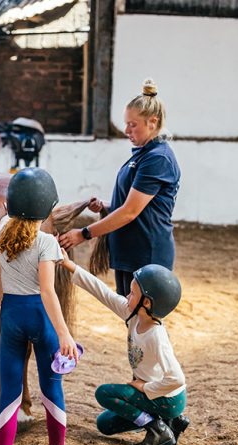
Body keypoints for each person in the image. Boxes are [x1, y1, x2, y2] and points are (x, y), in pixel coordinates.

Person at [0, 168, 80, 445]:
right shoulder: (46, 242)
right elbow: (48, 291)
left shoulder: (4, 229)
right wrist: (64, 332)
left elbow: (8, 211)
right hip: (40, 315)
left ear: (10, 206)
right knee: (51, 389)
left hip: (12, 315)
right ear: (46, 209)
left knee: (10, 392)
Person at [58, 78, 181, 296]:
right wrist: (106, 205)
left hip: (146, 253)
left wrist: (84, 234)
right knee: (131, 318)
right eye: (126, 123)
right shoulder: (144, 155)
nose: (126, 130)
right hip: (132, 251)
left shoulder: (157, 158)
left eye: (132, 125)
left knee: (144, 322)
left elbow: (130, 211)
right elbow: (133, 204)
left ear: (152, 122)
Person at [58, 249, 189, 445]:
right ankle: (171, 423)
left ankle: (157, 428)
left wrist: (146, 387)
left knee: (105, 393)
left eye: (132, 293)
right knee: (105, 424)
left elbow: (177, 379)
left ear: (146, 302)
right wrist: (70, 266)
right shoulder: (133, 315)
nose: (127, 295)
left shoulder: (157, 336)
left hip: (167, 399)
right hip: (157, 396)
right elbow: (103, 292)